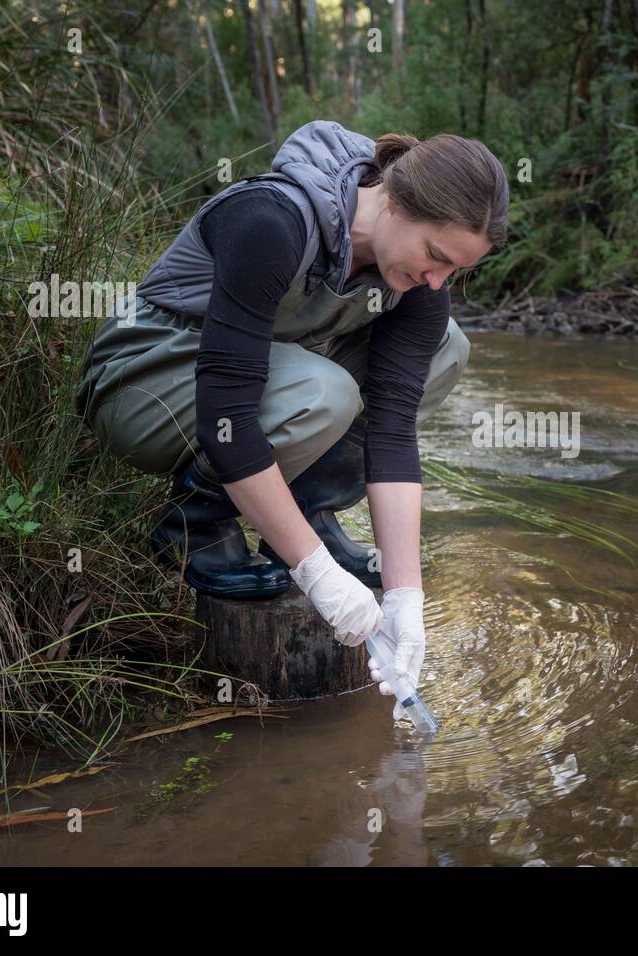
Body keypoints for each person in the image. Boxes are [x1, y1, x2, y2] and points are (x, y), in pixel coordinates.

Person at [74, 120, 509, 714]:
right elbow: (226, 414)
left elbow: (391, 431)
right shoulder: (272, 220)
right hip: (142, 380)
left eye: (456, 270)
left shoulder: (419, 286)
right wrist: (319, 575)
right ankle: (196, 521)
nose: (437, 280)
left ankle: (304, 511)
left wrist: (408, 599)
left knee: (446, 346)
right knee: (322, 392)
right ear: (396, 200)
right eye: (435, 256)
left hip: (262, 382)